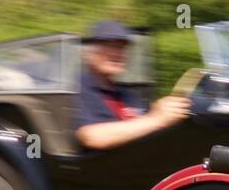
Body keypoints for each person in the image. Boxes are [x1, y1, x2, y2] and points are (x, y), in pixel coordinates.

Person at [75, 20, 191, 150]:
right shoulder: (77, 89)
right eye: (109, 45)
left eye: (122, 47)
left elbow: (144, 126)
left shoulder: (128, 93)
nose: (116, 53)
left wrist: (168, 111)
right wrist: (156, 119)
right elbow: (92, 137)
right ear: (88, 52)